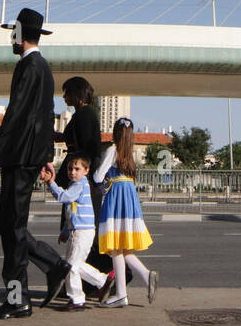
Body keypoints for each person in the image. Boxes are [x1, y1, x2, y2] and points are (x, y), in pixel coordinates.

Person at [0, 8, 71, 319]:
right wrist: (45, 156)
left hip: (19, 157)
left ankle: (18, 299)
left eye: (13, 33)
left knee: (13, 228)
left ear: (20, 35)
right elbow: (45, 116)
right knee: (4, 224)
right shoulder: (43, 68)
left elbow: (17, 111)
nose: (11, 38)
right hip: (29, 156)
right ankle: (52, 263)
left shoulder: (28, 67)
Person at [56, 77, 114, 287]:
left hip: (81, 182)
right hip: (80, 177)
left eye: (67, 93)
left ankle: (101, 279)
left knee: (79, 234)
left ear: (77, 94)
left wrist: (77, 174)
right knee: (77, 234)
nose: (64, 97)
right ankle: (81, 283)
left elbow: (87, 149)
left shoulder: (85, 115)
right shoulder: (83, 115)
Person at [94, 118, 158, 307]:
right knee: (122, 248)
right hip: (129, 198)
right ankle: (144, 278)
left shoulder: (112, 151)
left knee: (116, 247)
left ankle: (123, 293)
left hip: (116, 198)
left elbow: (98, 176)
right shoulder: (129, 154)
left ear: (115, 133)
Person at [39, 152, 108, 310]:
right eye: (70, 168)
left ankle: (77, 299)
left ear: (86, 170)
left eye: (77, 168)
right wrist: (65, 231)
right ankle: (103, 281)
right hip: (77, 230)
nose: (72, 172)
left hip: (82, 231)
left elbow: (64, 198)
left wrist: (51, 183)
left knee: (71, 266)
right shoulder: (76, 184)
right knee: (73, 265)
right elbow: (72, 211)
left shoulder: (79, 184)